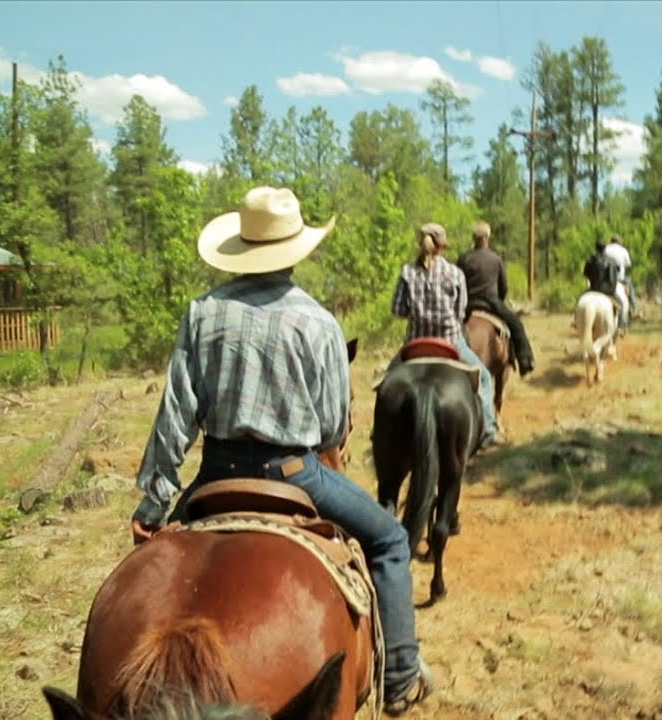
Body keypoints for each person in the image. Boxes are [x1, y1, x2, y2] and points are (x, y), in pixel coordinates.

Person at [129, 186, 432, 717]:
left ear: (242, 247)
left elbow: (175, 415)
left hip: (214, 473)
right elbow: (333, 426)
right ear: (296, 250)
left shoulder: (202, 312)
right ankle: (402, 672)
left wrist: (154, 505)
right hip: (297, 473)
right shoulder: (319, 322)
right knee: (390, 539)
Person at [389, 222, 504, 448]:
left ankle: (381, 430)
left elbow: (398, 309)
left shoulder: (407, 272)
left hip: (415, 343)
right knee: (483, 377)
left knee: (387, 381)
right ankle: (489, 431)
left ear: (420, 244)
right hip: (450, 342)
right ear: (442, 246)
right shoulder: (455, 273)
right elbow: (460, 312)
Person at [456, 221, 536, 377]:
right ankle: (525, 361)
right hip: (491, 302)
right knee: (516, 324)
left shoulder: (464, 258)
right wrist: (500, 300)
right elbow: (504, 287)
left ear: (473, 238)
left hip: (468, 304)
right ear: (487, 237)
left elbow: (457, 285)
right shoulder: (496, 259)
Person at [603, 234, 637, 328]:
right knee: (631, 289)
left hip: (605, 278)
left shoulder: (605, 249)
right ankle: (633, 309)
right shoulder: (623, 250)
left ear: (611, 241)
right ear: (619, 242)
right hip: (620, 279)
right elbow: (628, 265)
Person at [583, 238, 621, 316]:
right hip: (607, 291)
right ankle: (622, 322)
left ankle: (575, 319)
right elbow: (614, 275)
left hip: (593, 289)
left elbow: (586, 274)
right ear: (605, 248)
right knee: (621, 304)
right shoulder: (611, 261)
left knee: (579, 301)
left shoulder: (590, 260)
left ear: (595, 248)